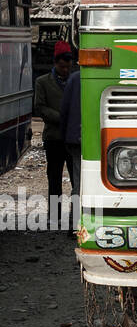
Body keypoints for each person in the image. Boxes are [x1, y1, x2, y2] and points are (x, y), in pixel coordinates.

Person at [34, 40, 75, 230]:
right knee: (54, 178)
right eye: (62, 66)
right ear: (55, 63)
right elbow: (40, 107)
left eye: (68, 66)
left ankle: (77, 216)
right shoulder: (42, 82)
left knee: (77, 179)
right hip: (54, 138)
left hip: (74, 139)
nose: (65, 70)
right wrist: (64, 118)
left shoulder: (77, 80)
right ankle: (54, 217)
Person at [59, 63, 82, 236]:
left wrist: (65, 136)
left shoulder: (74, 79)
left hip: (76, 139)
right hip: (101, 140)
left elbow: (64, 110)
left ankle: (75, 224)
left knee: (79, 182)